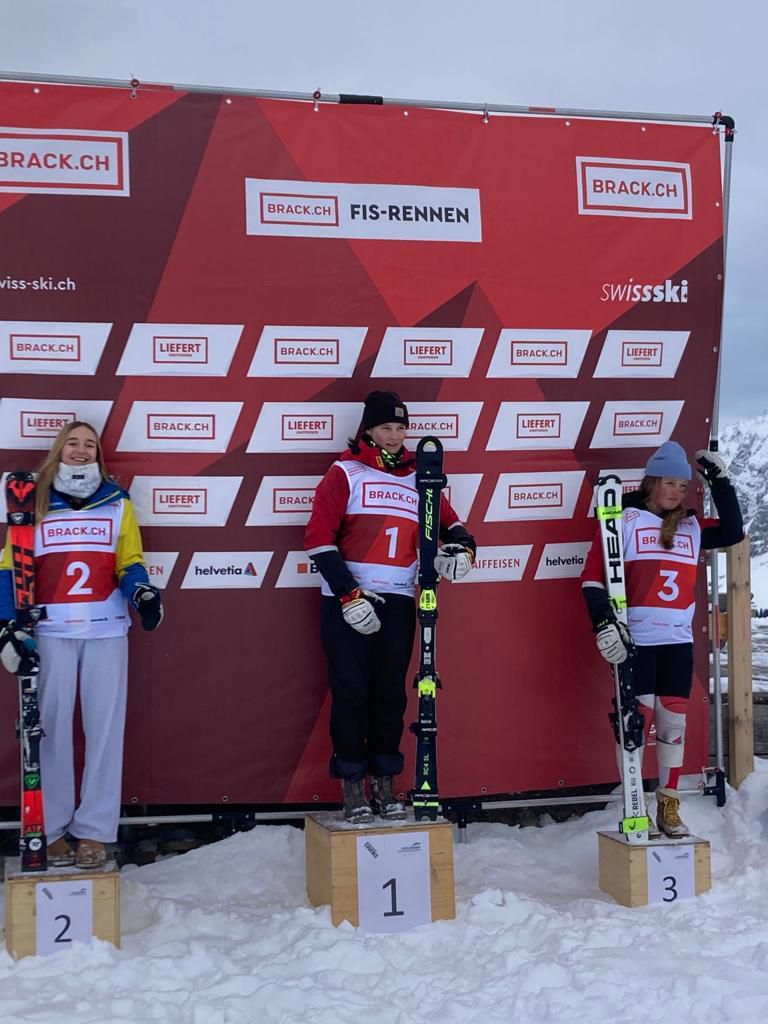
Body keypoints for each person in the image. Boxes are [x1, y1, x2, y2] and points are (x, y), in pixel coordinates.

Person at [305, 391, 476, 823]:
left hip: (399, 599)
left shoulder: (422, 475)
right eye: (386, 428)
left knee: (388, 697)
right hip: (350, 601)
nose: (395, 436)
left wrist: (463, 550)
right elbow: (318, 540)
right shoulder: (345, 472)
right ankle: (351, 787)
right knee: (351, 694)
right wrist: (347, 594)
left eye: (401, 428)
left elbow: (452, 525)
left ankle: (384, 783)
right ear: (368, 430)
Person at [0, 422, 163, 868]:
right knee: (47, 733)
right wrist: (8, 625)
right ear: (57, 450)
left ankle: (93, 832)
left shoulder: (116, 502)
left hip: (106, 629)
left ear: (98, 456)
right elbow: (11, 565)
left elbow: (129, 560)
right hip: (50, 631)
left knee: (104, 732)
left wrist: (142, 593)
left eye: (89, 444)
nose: (80, 449)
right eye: (72, 442)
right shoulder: (30, 500)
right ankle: (49, 829)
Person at [581, 441, 743, 837]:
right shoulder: (622, 520)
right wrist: (604, 623)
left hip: (676, 642)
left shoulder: (691, 526)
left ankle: (668, 804)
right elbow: (591, 577)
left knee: (673, 726)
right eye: (670, 483)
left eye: (683, 487)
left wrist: (720, 483)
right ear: (652, 482)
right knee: (636, 723)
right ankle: (633, 801)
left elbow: (734, 532)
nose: (676, 492)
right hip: (636, 639)